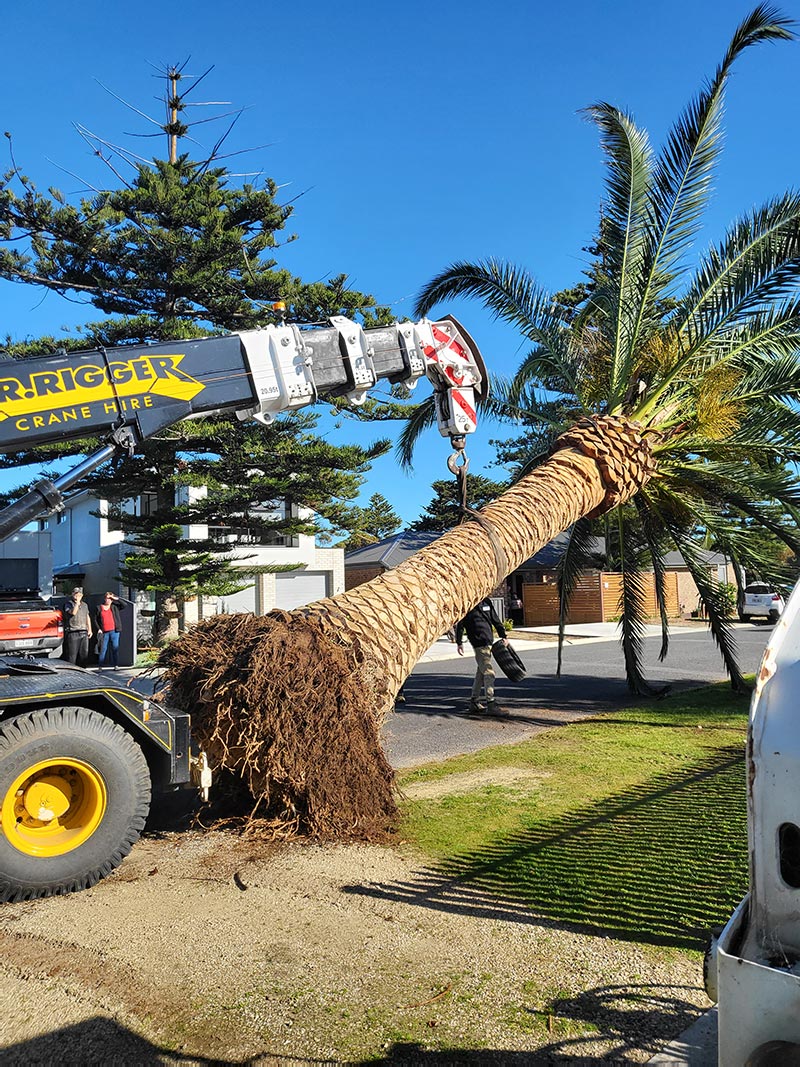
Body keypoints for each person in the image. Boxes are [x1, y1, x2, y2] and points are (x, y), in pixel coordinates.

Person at [455, 597, 509, 714]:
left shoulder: (486, 602)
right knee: (489, 673)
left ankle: (474, 702)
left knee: (481, 672)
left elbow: (495, 619)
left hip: (488, 641)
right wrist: (459, 642)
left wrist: (503, 635)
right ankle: (491, 704)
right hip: (478, 643)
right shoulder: (467, 603)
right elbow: (460, 624)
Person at [94, 592, 126, 669]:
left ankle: (116, 665)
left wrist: (115, 598)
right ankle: (100, 666)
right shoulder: (99, 608)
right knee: (103, 649)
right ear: (104, 598)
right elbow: (95, 619)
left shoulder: (114, 607)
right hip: (104, 632)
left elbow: (124, 605)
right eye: (107, 598)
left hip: (114, 631)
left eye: (110, 599)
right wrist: (99, 628)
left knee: (115, 648)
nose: (108, 600)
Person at [63, 587, 93, 666]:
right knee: (72, 656)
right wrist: (77, 603)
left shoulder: (85, 605)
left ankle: (83, 670)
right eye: (76, 594)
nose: (77, 596)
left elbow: (87, 617)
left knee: (84, 654)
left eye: (79, 595)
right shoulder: (68, 604)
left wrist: (89, 629)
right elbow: (73, 612)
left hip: (83, 631)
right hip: (73, 632)